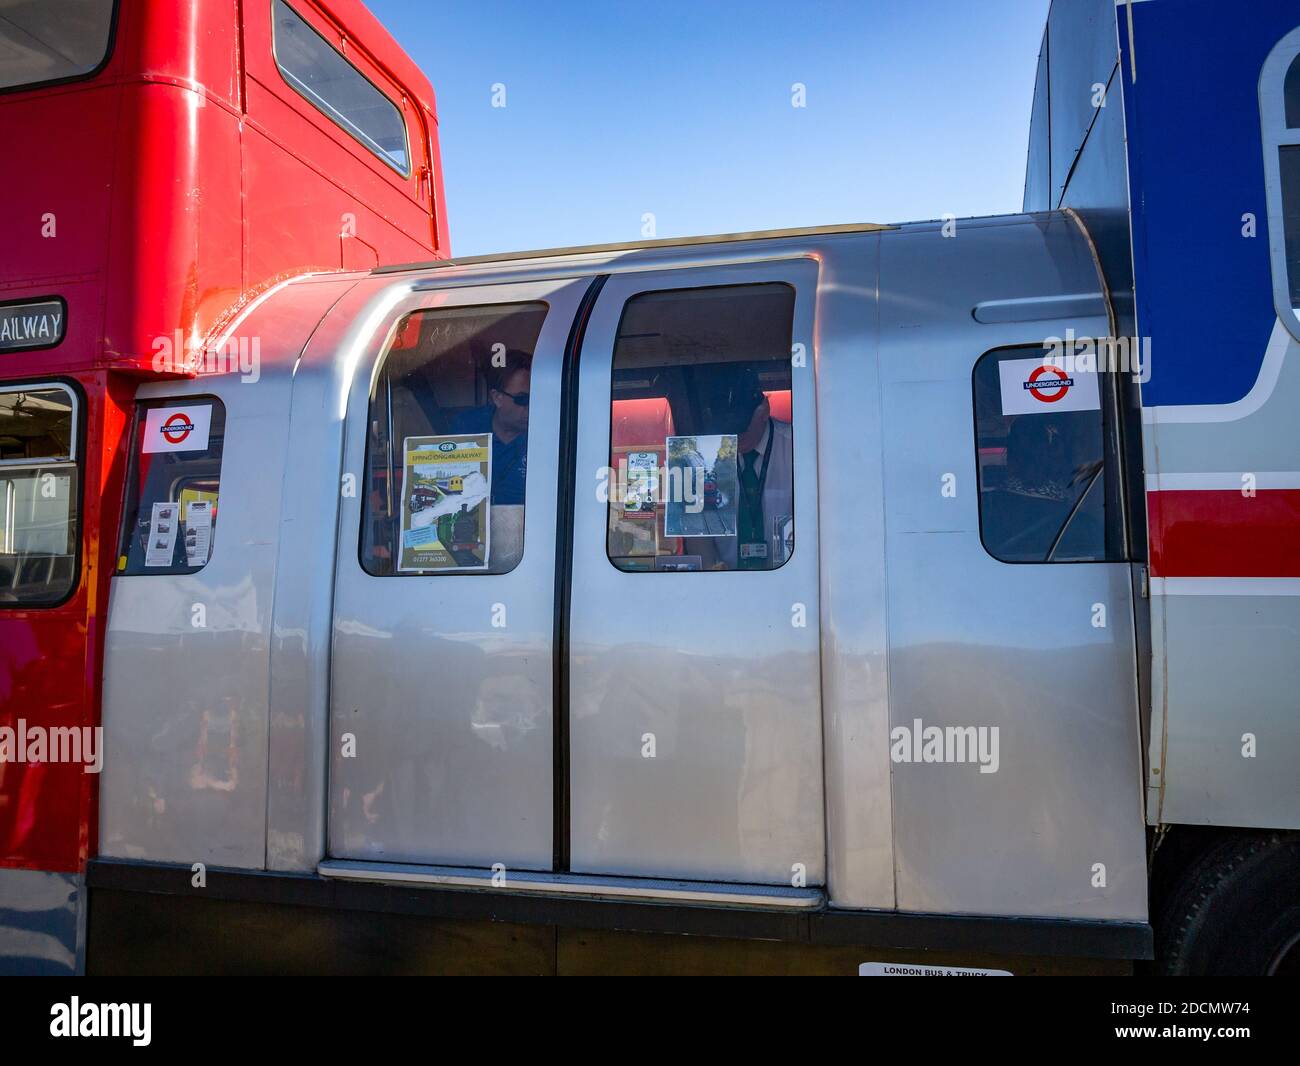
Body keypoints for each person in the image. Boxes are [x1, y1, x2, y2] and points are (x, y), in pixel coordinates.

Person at [696, 366, 793, 570]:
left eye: (742, 431)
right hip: (725, 581)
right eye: (727, 431)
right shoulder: (702, 454)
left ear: (764, 410)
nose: (735, 440)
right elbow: (696, 531)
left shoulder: (797, 448)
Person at [451, 349, 531, 505]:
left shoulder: (550, 431)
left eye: (539, 397)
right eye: (523, 399)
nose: (532, 407)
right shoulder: (466, 427)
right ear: (497, 397)